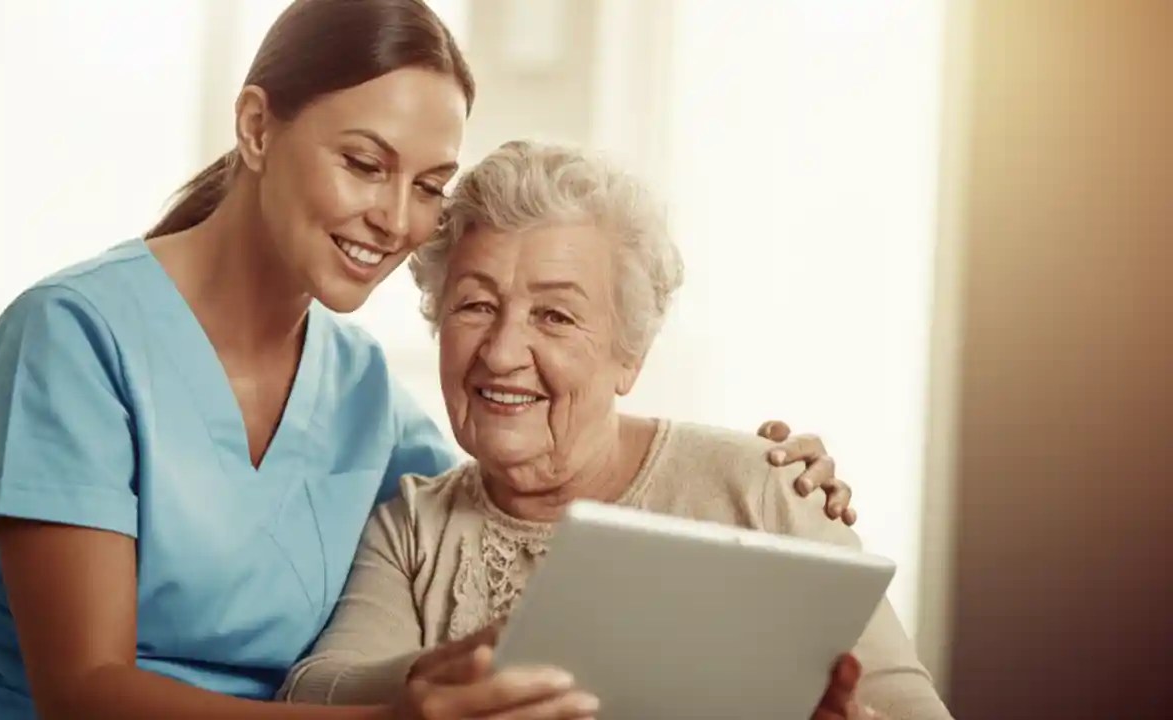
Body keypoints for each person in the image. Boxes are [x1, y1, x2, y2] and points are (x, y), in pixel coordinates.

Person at [0, 2, 855, 719]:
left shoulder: (361, 394)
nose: (397, 220)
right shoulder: (74, 334)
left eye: (430, 185)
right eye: (365, 164)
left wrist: (755, 474)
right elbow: (83, 691)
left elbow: (519, 488)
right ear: (258, 128)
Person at [278, 142, 953, 720]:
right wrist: (433, 681)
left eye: (555, 317)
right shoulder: (412, 530)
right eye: (476, 305)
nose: (502, 351)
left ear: (630, 354)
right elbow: (313, 692)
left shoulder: (769, 486)